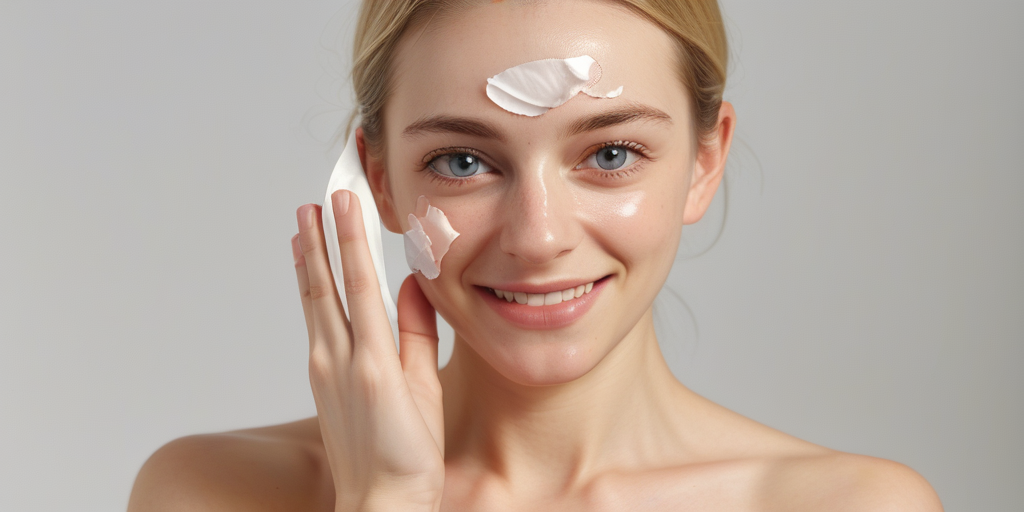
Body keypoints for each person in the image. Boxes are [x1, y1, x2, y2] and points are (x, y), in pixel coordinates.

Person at [128, 0, 943, 510]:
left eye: (612, 153)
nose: (539, 235)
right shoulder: (211, 493)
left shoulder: (851, 506)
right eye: (462, 161)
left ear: (705, 160)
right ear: (380, 179)